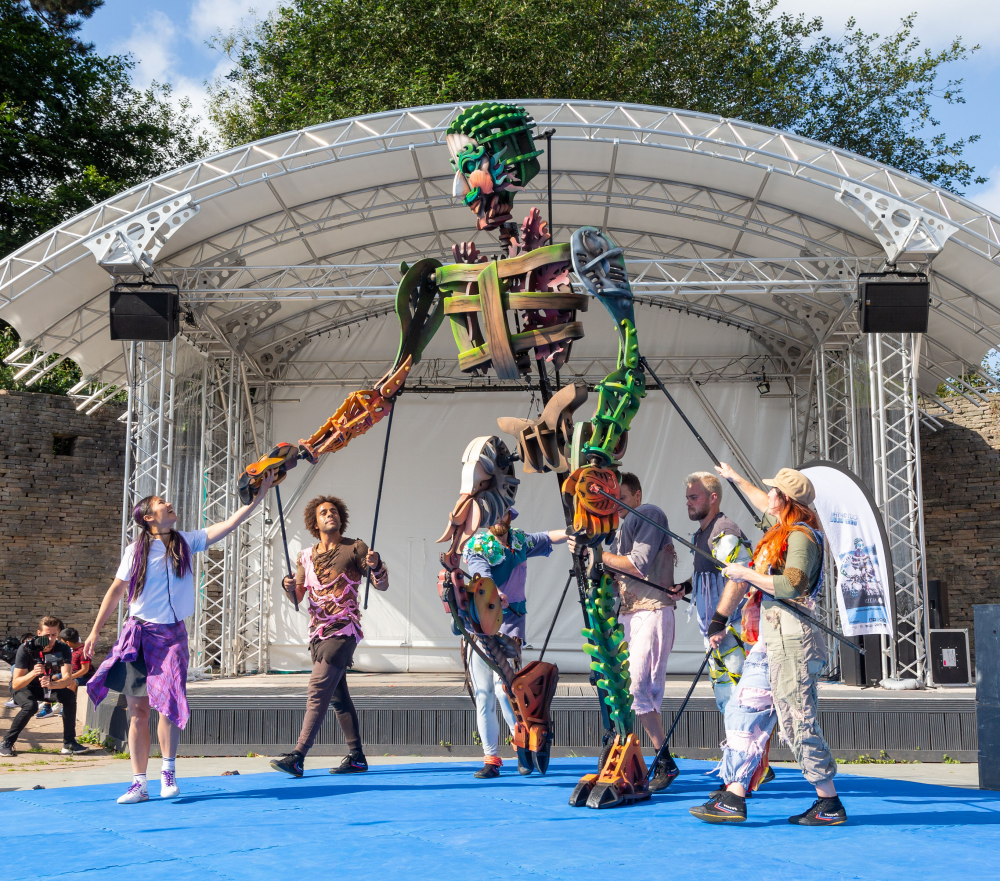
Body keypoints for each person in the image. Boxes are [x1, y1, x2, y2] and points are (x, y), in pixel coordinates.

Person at [84, 472, 275, 805]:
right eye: (161, 503)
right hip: (139, 635)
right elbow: (117, 589)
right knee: (138, 711)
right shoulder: (135, 550)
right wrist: (96, 629)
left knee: (169, 706)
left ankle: (168, 772)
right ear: (147, 517)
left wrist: (258, 499)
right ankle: (138, 783)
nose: (169, 504)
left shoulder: (185, 542)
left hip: (171, 636)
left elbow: (227, 525)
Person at [690, 464, 846, 826]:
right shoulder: (780, 529)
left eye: (773, 491)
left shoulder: (802, 537)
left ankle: (829, 802)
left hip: (793, 641)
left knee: (797, 723)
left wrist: (745, 573)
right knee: (742, 712)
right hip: (767, 641)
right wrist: (735, 478)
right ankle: (733, 796)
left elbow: (792, 585)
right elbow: (761, 500)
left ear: (785, 499)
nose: (768, 496)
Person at [574, 472, 682, 792]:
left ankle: (659, 758)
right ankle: (658, 758)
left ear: (636, 495)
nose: (617, 503)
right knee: (632, 691)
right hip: (635, 615)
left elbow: (638, 564)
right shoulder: (621, 529)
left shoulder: (648, 513)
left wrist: (596, 555)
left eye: (621, 496)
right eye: (611, 497)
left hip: (651, 610)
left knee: (636, 687)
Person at [270, 494, 388, 779]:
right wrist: (287, 585)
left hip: (344, 629)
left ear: (341, 518)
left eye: (333, 511)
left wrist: (377, 564)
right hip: (317, 633)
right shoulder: (305, 556)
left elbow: (381, 585)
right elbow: (298, 596)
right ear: (315, 521)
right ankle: (357, 756)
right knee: (338, 697)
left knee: (318, 689)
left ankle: (298, 755)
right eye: (323, 512)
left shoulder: (356, 548)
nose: (329, 514)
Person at [462, 507, 568, 779]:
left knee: (504, 690)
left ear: (510, 516)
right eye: (493, 515)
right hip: (481, 625)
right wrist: (494, 592)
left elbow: (547, 537)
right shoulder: (478, 544)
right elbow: (479, 571)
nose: (498, 519)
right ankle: (491, 757)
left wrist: (573, 532)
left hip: (509, 627)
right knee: (484, 693)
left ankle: (521, 745)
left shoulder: (520, 541)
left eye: (503, 514)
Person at [674, 472, 751, 715]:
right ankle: (736, 751)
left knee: (742, 701)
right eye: (687, 497)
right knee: (726, 699)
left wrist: (719, 623)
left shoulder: (724, 531)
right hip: (717, 633)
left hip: (733, 631)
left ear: (713, 497)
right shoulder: (703, 533)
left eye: (694, 497)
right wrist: (686, 587)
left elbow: (739, 580)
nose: (688, 502)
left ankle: (751, 754)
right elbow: (708, 573)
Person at [1, 616, 86, 756]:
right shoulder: (26, 648)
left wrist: (53, 684)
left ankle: (69, 743)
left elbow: (67, 679)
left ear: (58, 633)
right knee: (30, 705)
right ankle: (7, 742)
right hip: (24, 686)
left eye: (54, 635)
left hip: (46, 685)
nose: (51, 639)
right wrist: (33, 673)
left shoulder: (62, 647)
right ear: (39, 633)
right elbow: (16, 684)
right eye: (47, 635)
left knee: (69, 696)